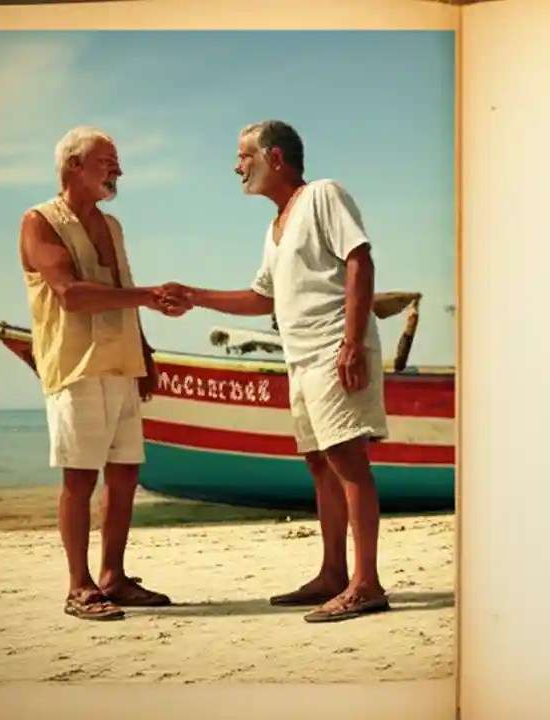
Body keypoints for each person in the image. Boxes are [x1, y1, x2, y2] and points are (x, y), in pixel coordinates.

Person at [160, 120, 390, 623]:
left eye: (244, 156)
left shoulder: (324, 195)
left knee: (348, 461)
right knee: (319, 464)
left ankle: (366, 583)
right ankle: (333, 573)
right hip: (300, 357)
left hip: (333, 348)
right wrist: (195, 297)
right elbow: (260, 297)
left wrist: (352, 343)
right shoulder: (275, 226)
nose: (236, 166)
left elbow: (360, 261)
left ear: (276, 157)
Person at [20, 126, 190, 621]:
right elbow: (70, 294)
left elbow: (121, 286)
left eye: (116, 163)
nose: (117, 170)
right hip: (74, 367)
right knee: (79, 478)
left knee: (125, 475)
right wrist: (148, 299)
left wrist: (145, 353)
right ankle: (79, 586)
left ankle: (112, 578)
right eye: (106, 162)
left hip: (121, 364)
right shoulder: (39, 221)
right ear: (73, 165)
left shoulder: (112, 225)